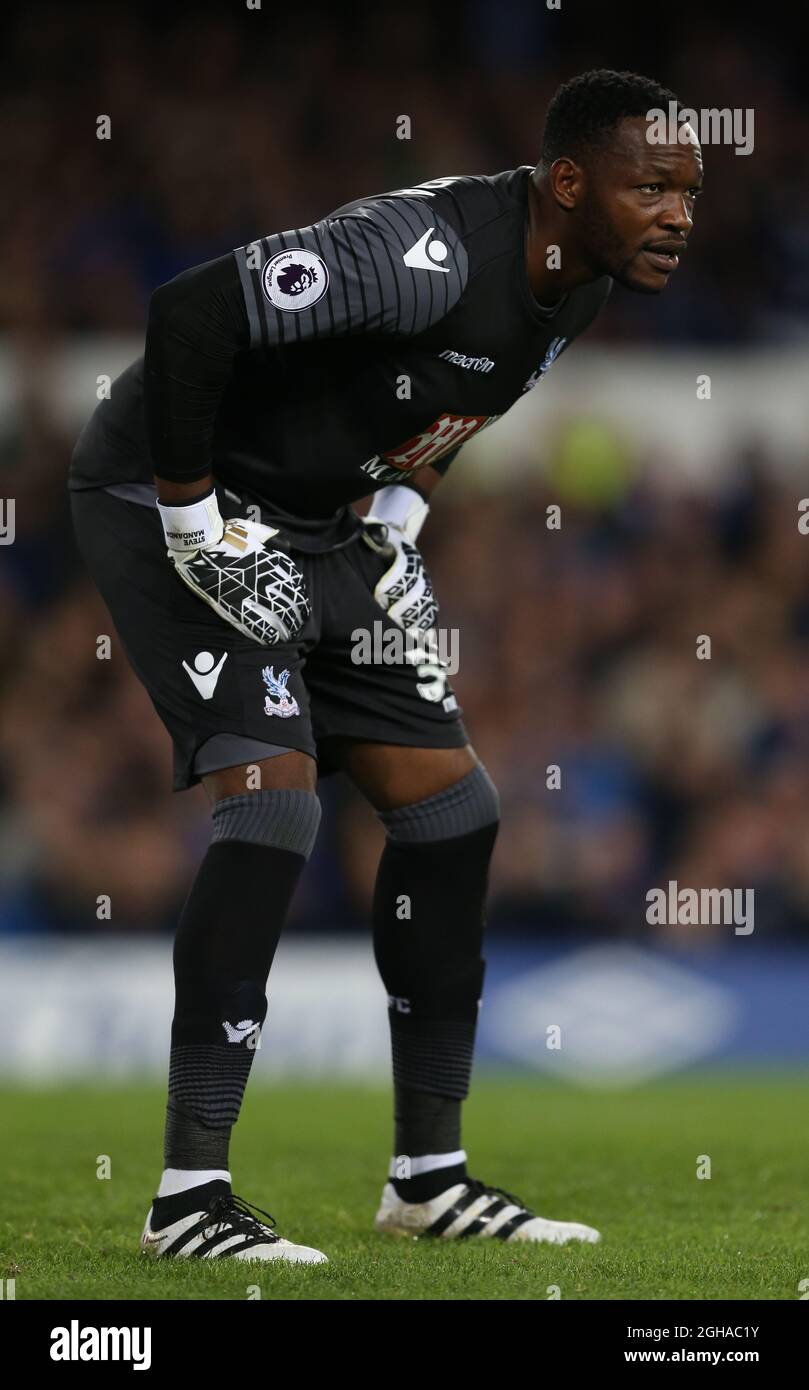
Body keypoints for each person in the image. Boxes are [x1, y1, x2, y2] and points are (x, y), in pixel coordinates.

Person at [69, 68, 702, 1262]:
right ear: (566, 184)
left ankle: (428, 1179)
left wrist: (400, 522)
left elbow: (430, 426)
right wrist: (197, 523)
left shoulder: (574, 291)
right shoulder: (418, 252)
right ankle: (188, 1196)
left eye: (688, 192)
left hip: (322, 520)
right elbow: (188, 316)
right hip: (170, 489)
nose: (678, 214)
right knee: (273, 808)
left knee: (451, 810)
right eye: (651, 188)